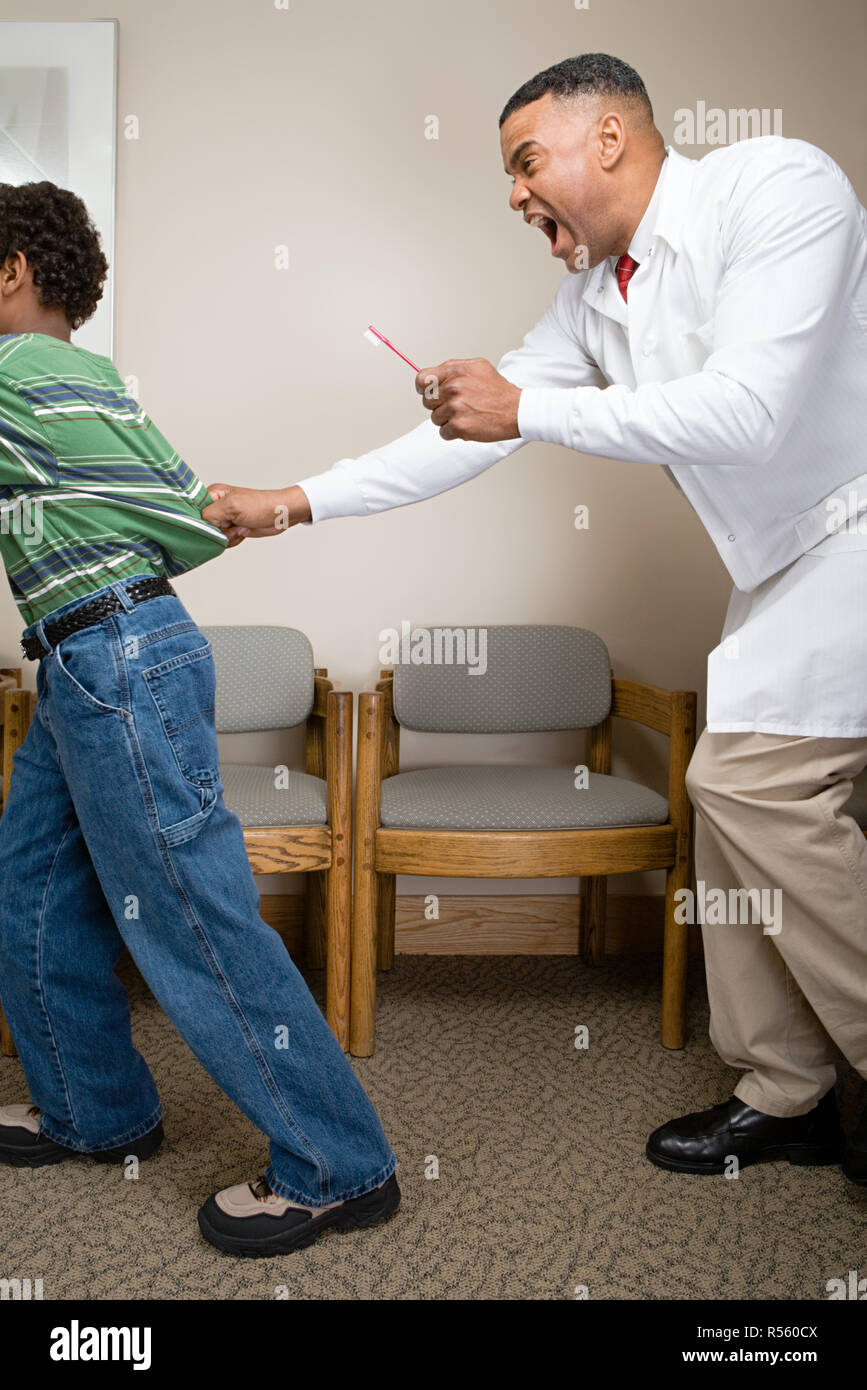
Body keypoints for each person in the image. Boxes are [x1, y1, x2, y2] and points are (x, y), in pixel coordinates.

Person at [204, 52, 867, 1184]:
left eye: (526, 162)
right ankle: (785, 1086)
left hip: (854, 527)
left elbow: (751, 412)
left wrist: (532, 404)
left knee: (747, 783)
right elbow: (463, 438)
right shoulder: (592, 300)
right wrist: (292, 503)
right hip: (778, 565)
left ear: (607, 139)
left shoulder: (778, 188)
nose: (514, 195)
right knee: (729, 805)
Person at [0, 180, 399, 1257]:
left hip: (111, 659)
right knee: (33, 883)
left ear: (11, 273)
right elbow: (194, 525)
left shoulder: (7, 372)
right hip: (117, 651)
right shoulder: (91, 382)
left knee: (189, 912)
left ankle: (338, 1161)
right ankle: (95, 1105)